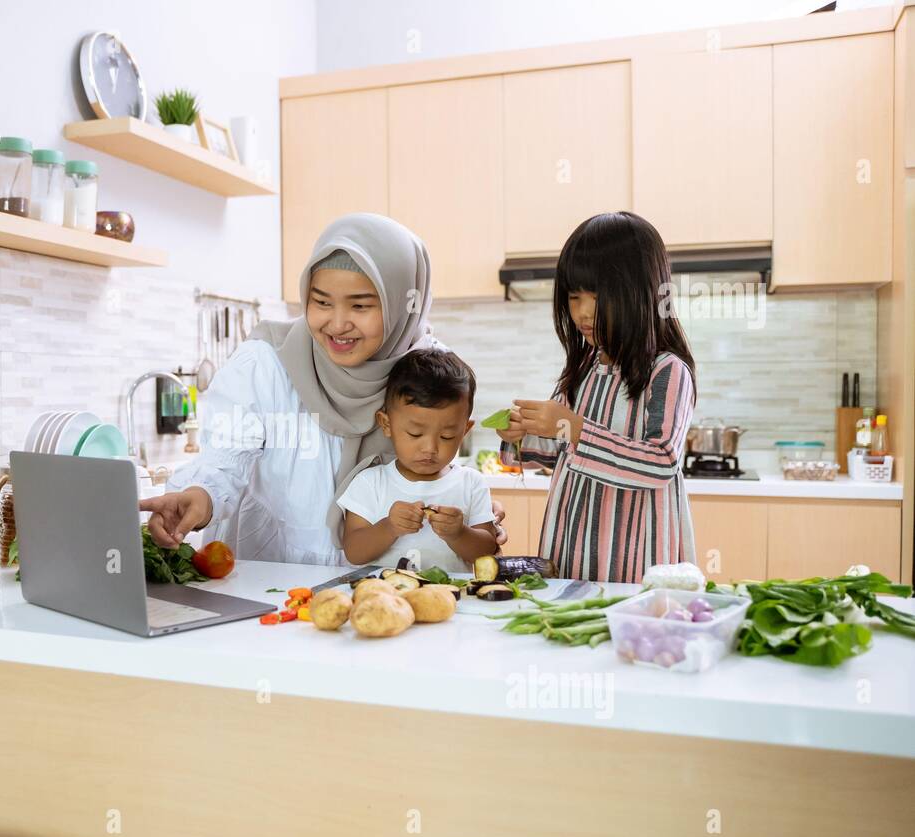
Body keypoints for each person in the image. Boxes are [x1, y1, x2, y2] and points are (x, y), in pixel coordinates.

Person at [140, 213, 506, 564]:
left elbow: (434, 464)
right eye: (321, 302)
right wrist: (199, 497)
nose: (337, 323)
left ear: (401, 304)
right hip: (272, 582)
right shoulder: (266, 363)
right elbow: (222, 464)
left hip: (381, 593)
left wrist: (470, 515)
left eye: (361, 305)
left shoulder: (426, 369)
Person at [493, 211, 697, 583]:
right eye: (574, 297)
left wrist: (574, 428)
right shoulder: (582, 371)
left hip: (638, 559)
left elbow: (661, 462)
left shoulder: (667, 371)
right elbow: (564, 456)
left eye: (598, 296)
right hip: (570, 549)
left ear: (640, 294)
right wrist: (521, 438)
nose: (582, 312)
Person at [339, 349, 498, 572]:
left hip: (451, 600)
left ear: (465, 431)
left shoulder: (472, 484)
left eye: (447, 436)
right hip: (385, 599)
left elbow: (486, 554)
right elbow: (353, 552)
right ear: (386, 424)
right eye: (415, 434)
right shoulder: (370, 482)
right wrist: (389, 527)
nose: (430, 448)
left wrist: (459, 533)